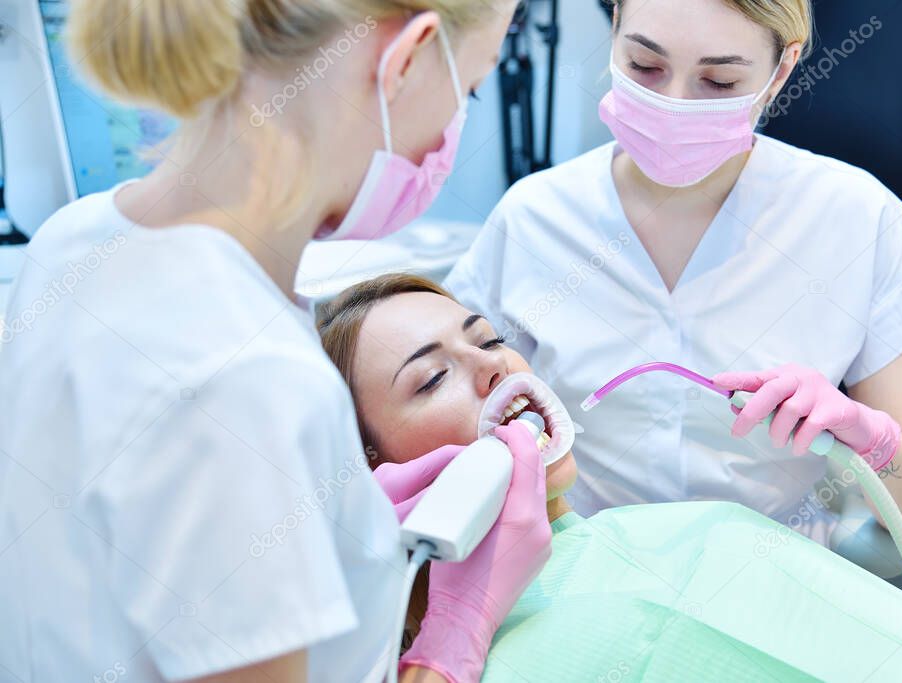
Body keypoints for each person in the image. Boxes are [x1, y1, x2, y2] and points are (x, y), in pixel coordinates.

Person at [0, 1, 550, 681]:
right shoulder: (246, 376)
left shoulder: (69, 241)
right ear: (406, 60)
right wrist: (456, 632)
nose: (449, 133)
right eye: (466, 89)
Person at [443, 0, 902, 550]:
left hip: (768, 587)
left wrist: (870, 439)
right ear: (614, 35)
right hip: (574, 576)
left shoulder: (854, 218)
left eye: (719, 81)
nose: (673, 103)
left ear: (782, 71)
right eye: (644, 66)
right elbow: (446, 447)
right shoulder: (535, 217)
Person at [316, 273, 902, 683]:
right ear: (372, 474)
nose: (495, 366)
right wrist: (456, 629)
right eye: (432, 377)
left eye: (490, 339)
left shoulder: (677, 529)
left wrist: (874, 442)